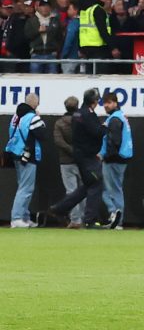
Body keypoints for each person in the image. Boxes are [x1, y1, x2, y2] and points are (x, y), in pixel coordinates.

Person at [45, 94, 102, 228]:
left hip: (67, 160)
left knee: (77, 188)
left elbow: (59, 141)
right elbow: (93, 133)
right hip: (84, 158)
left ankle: (68, 215)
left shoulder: (60, 123)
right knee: (93, 184)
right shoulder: (83, 117)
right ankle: (86, 218)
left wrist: (72, 151)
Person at [96, 92, 132, 228]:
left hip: (113, 159)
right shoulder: (120, 117)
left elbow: (114, 141)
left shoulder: (115, 119)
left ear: (115, 103)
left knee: (112, 191)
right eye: (104, 103)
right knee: (113, 190)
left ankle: (117, 218)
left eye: (109, 102)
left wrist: (106, 156)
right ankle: (115, 218)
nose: (106, 105)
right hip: (121, 158)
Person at [5, 99, 41, 227]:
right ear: (36, 104)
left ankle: (24, 217)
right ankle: (16, 218)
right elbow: (41, 133)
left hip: (15, 152)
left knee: (23, 186)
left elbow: (11, 132)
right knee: (26, 188)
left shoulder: (16, 116)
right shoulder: (32, 117)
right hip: (27, 154)